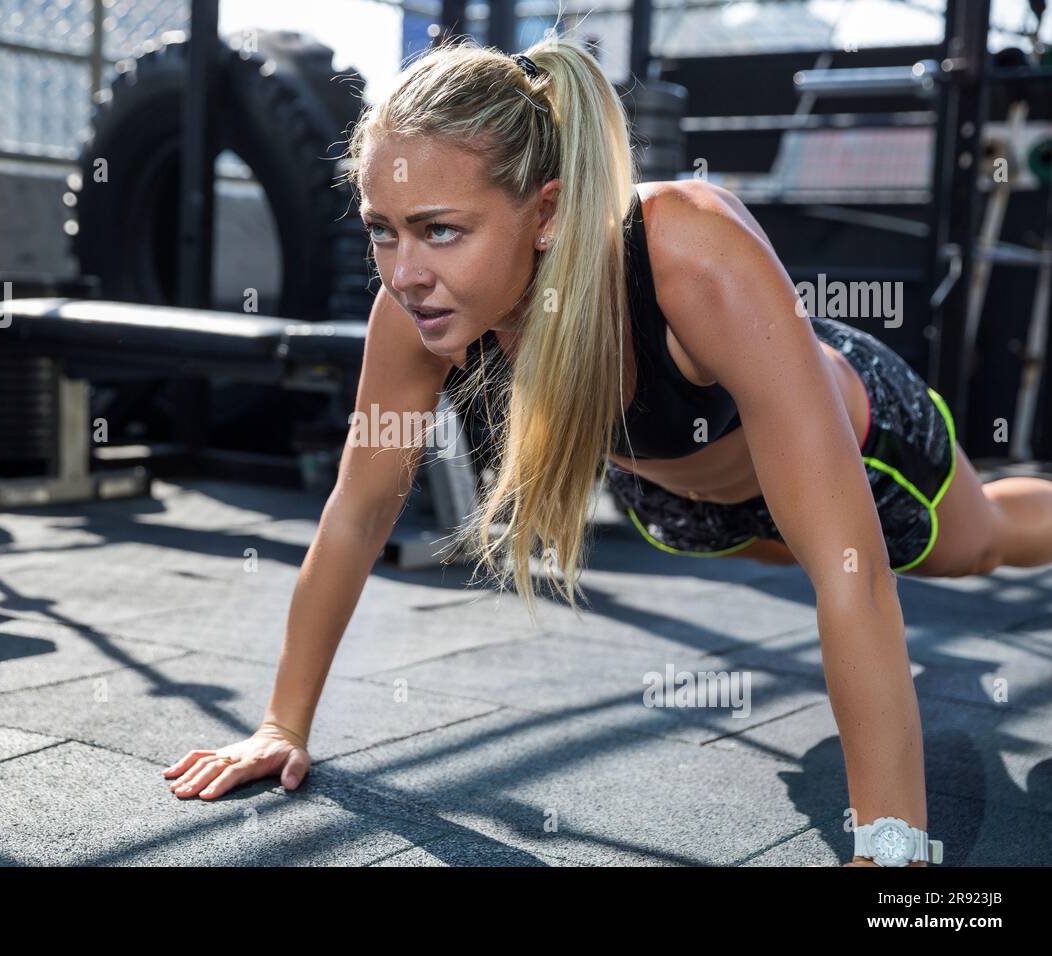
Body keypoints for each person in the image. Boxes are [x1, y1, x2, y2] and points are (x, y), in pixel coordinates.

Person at [162, 33, 1052, 866]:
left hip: (864, 448)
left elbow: (852, 570)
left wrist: (890, 852)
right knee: (815, 562)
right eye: (381, 228)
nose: (404, 270)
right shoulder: (415, 311)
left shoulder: (690, 252)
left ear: (545, 212)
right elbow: (356, 513)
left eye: (440, 229)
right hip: (680, 510)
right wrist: (281, 725)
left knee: (971, 551)